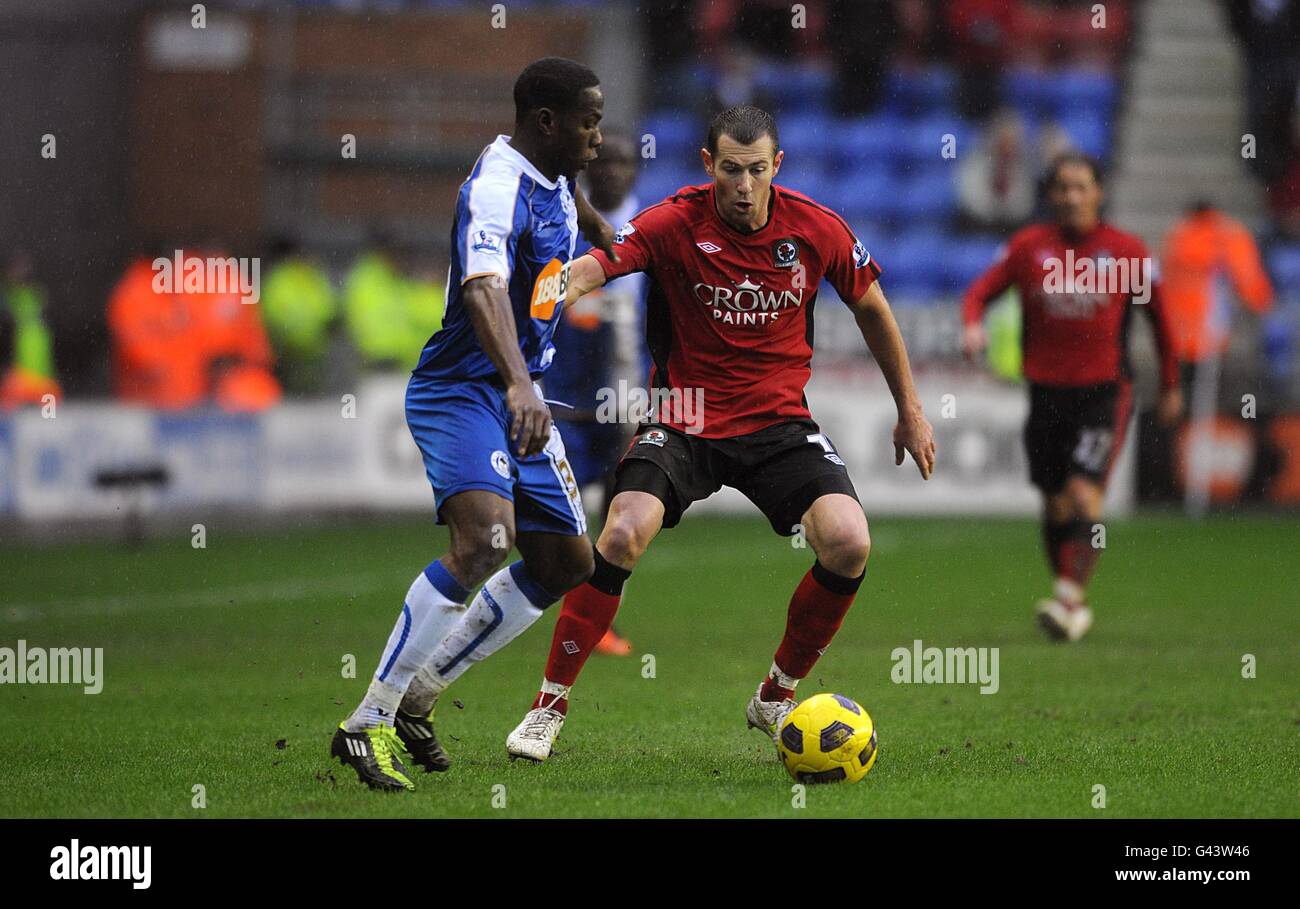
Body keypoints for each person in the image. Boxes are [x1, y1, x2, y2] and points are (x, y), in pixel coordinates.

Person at [504, 105, 936, 763]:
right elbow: (605, 261)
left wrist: (910, 408)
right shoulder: (676, 219)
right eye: (730, 169)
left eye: (756, 170)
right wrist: (558, 284)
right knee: (620, 532)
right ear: (709, 165)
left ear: (776, 167)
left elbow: (873, 307)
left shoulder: (816, 228)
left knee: (848, 542)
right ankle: (547, 706)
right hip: (685, 418)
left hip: (779, 424)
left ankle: (776, 693)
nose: (742, 184)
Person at [330, 57, 618, 792]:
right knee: (488, 537)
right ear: (547, 122)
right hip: (466, 389)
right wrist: (520, 382)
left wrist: (589, 217)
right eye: (589, 122)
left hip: (519, 394)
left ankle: (421, 697)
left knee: (566, 563)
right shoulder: (495, 189)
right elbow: (484, 285)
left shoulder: (548, 168)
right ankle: (368, 721)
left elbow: (560, 188)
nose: (598, 136)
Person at [961, 153, 1183, 642]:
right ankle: (1070, 596)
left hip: (1104, 392)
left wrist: (1170, 383)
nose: (1071, 196)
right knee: (1055, 503)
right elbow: (978, 293)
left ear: (1099, 192)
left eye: (1081, 186)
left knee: (1084, 495)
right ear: (1050, 194)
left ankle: (1067, 597)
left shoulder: (1126, 252)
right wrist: (973, 327)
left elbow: (1161, 322)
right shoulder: (1029, 247)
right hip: (1045, 394)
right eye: (1062, 187)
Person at [545, 130, 646, 657]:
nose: (612, 170)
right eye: (603, 161)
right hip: (561, 395)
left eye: (624, 161)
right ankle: (536, 599)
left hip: (626, 399)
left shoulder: (654, 230)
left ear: (637, 169)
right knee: (558, 508)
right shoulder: (564, 227)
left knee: (617, 512)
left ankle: (595, 618)